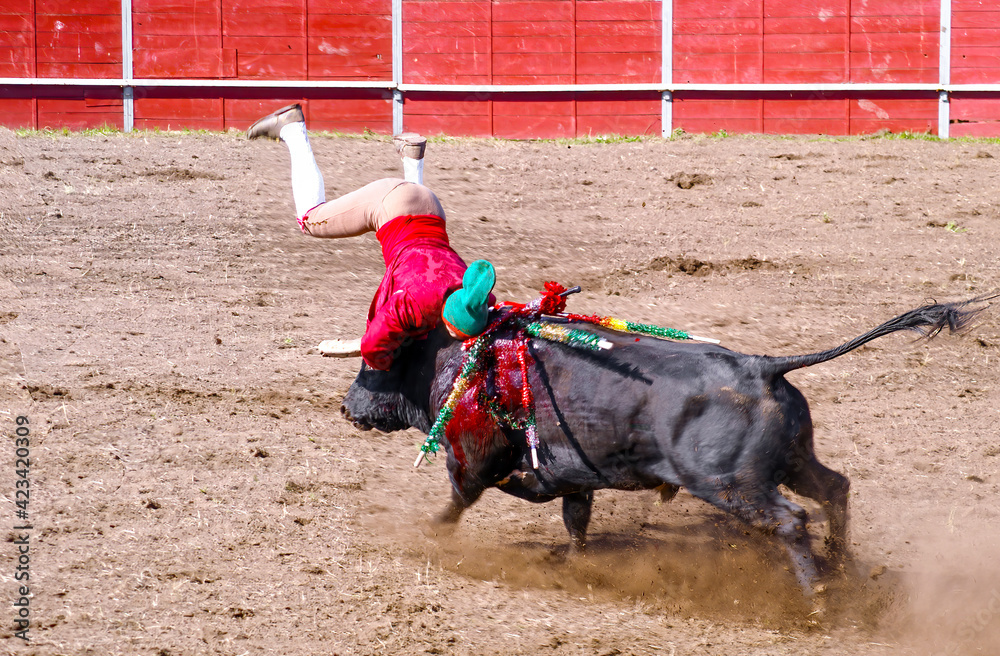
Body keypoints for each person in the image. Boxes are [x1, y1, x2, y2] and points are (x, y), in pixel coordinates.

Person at [246, 103, 494, 371]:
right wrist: (387, 366)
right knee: (309, 219)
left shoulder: (474, 293)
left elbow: (493, 304)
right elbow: (374, 345)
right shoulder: (416, 301)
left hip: (431, 207)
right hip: (388, 204)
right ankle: (292, 128)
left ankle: (413, 159)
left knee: (413, 254)